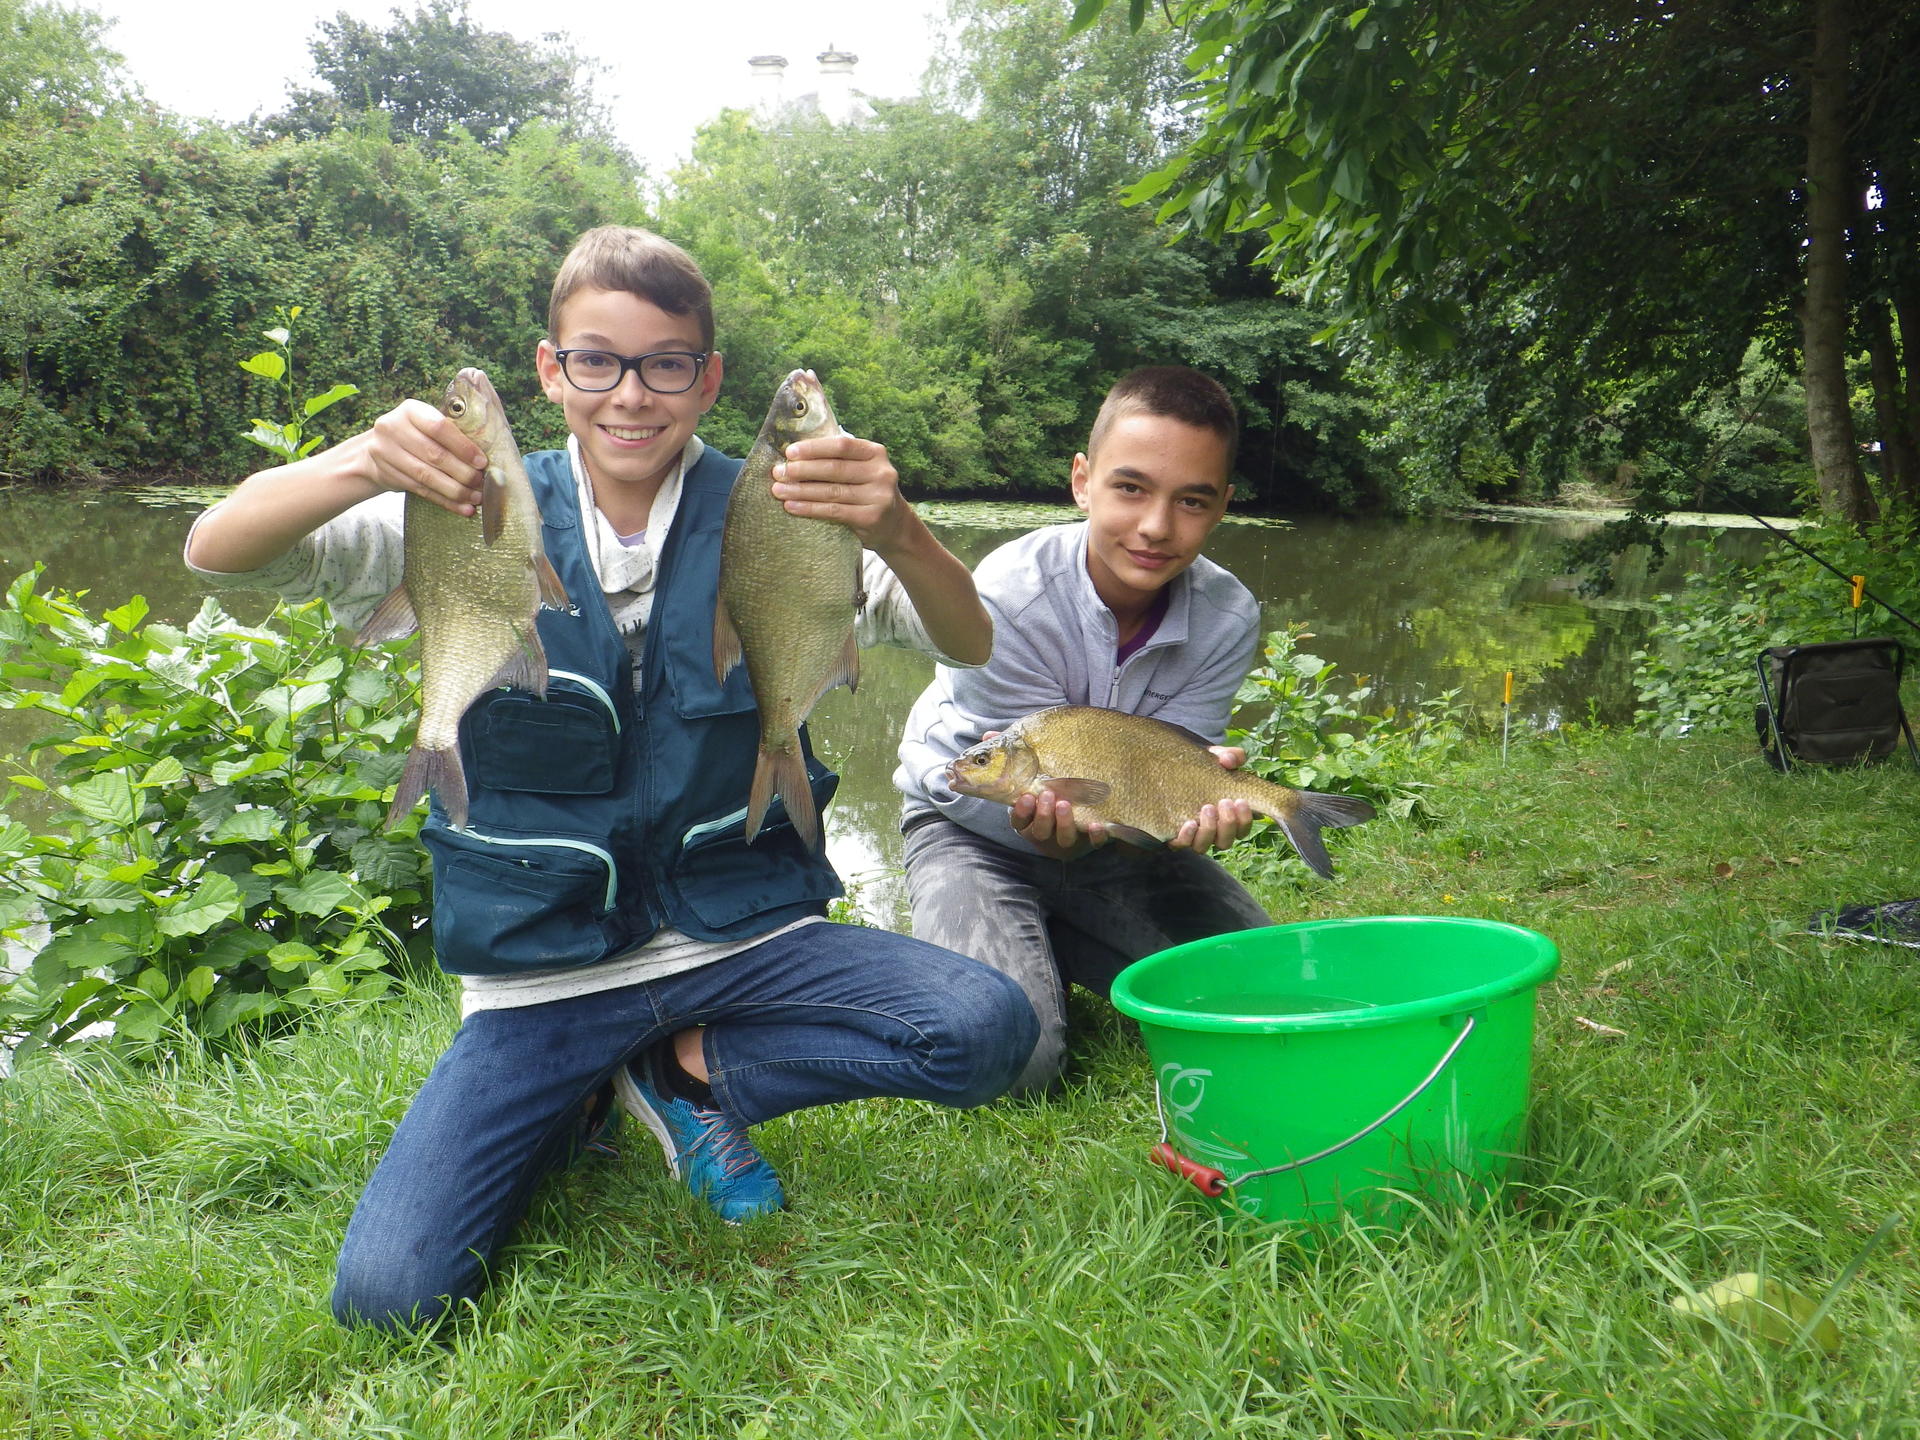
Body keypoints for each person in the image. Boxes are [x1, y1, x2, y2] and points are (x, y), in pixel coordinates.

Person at [184, 225, 1037, 1332]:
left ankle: (680, 1082)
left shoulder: (783, 505)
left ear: (708, 377)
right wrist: (359, 462)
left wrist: (901, 528)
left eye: (666, 363)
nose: (631, 395)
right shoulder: (462, 503)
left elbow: (971, 644)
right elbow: (218, 550)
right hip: (546, 979)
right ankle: (580, 1090)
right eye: (598, 360)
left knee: (983, 1029)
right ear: (551, 371)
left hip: (747, 939)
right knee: (390, 1300)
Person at [894, 365, 1271, 1095]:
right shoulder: (1005, 593)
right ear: (1081, 480)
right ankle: (1015, 956)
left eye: (1192, 501)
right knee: (1012, 1064)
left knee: (1260, 995)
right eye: (1130, 488)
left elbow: (1169, 769)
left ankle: (1059, 945)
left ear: (1224, 506)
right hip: (972, 829)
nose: (1157, 527)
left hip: (1115, 841)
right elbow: (1013, 774)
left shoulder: (1229, 615)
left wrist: (1196, 806)